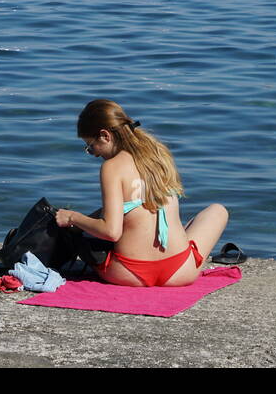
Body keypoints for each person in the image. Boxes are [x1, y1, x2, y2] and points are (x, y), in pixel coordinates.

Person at [54, 99, 228, 287]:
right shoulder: (159, 152)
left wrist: (72, 217)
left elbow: (111, 232)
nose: (94, 154)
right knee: (218, 211)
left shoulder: (111, 167)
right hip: (179, 271)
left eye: (91, 147)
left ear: (105, 136)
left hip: (130, 273)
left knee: (91, 234)